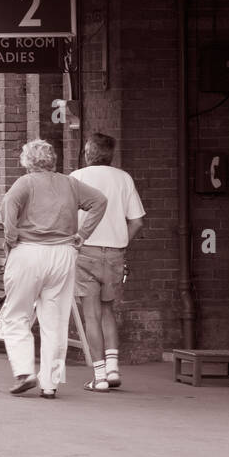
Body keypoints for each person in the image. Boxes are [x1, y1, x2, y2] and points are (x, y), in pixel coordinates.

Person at [0, 139, 107, 398]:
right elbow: (99, 201)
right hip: (63, 253)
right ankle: (50, 383)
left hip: (28, 251)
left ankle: (24, 372)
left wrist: (11, 238)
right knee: (55, 320)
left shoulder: (25, 182)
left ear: (28, 161)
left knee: (16, 315)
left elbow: (8, 208)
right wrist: (82, 234)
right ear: (52, 159)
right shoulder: (69, 183)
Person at [69, 133, 146, 392]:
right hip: (115, 253)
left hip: (85, 251)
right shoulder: (124, 178)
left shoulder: (77, 178)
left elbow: (68, 217)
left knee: (90, 314)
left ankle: (99, 375)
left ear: (88, 152)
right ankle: (113, 367)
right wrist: (122, 241)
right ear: (110, 154)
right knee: (108, 310)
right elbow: (136, 221)